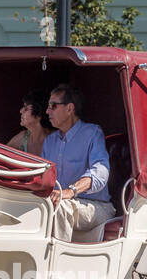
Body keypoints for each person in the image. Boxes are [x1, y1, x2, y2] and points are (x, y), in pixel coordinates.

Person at [42, 83, 115, 242]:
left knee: (61, 207)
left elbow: (100, 173)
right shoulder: (49, 142)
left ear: (69, 109)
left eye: (52, 105)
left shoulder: (93, 133)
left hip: (97, 206)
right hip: (60, 202)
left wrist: (70, 191)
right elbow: (44, 179)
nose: (47, 111)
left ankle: (56, 262)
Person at [6, 90, 52, 156]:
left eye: (26, 109)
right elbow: (1, 155)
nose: (21, 111)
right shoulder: (22, 139)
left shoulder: (56, 139)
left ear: (39, 115)